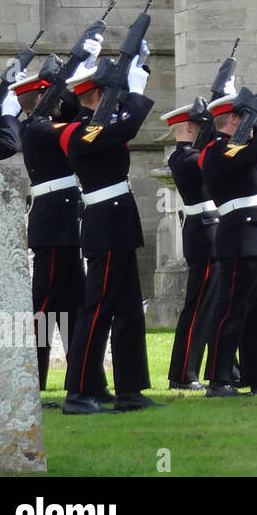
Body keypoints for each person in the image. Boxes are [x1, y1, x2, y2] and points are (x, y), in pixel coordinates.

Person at [58, 48, 156, 414]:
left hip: (120, 223)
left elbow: (122, 127)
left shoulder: (99, 124)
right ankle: (79, 392)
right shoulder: (82, 129)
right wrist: (135, 86)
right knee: (96, 310)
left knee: (129, 309)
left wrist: (131, 77)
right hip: (105, 225)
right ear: (98, 94)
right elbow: (129, 126)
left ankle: (130, 389)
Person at [13, 66, 107, 399]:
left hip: (66, 226)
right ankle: (32, 380)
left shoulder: (49, 124)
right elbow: (77, 128)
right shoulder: (36, 128)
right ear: (40, 99)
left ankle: (86, 380)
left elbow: (72, 113)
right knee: (44, 311)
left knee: (75, 308)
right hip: (52, 229)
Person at [201, 88, 257, 397]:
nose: (252, 126)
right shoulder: (218, 150)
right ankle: (219, 379)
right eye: (247, 118)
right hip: (239, 236)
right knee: (231, 311)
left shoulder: (237, 147)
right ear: (233, 119)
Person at [161, 99, 223, 391]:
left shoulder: (192, 155)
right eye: (202, 126)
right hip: (205, 237)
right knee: (198, 307)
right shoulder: (186, 158)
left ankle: (225, 368)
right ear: (189, 127)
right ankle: (183, 373)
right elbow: (212, 159)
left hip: (210, 234)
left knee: (214, 306)